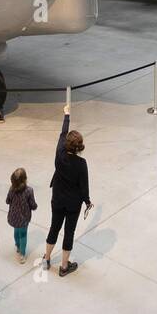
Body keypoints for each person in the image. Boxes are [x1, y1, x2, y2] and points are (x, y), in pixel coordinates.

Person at [42, 102, 90, 277]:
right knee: (69, 232)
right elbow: (84, 186)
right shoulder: (81, 164)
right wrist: (87, 200)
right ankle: (64, 266)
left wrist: (67, 115)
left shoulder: (59, 154)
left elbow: (63, 133)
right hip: (73, 203)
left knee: (54, 227)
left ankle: (46, 258)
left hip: (58, 199)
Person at [5, 168, 37, 263]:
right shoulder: (29, 190)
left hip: (14, 217)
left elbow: (7, 201)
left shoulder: (11, 189)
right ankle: (22, 254)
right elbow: (32, 204)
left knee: (16, 231)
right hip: (24, 218)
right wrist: (35, 206)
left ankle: (18, 246)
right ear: (25, 179)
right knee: (23, 234)